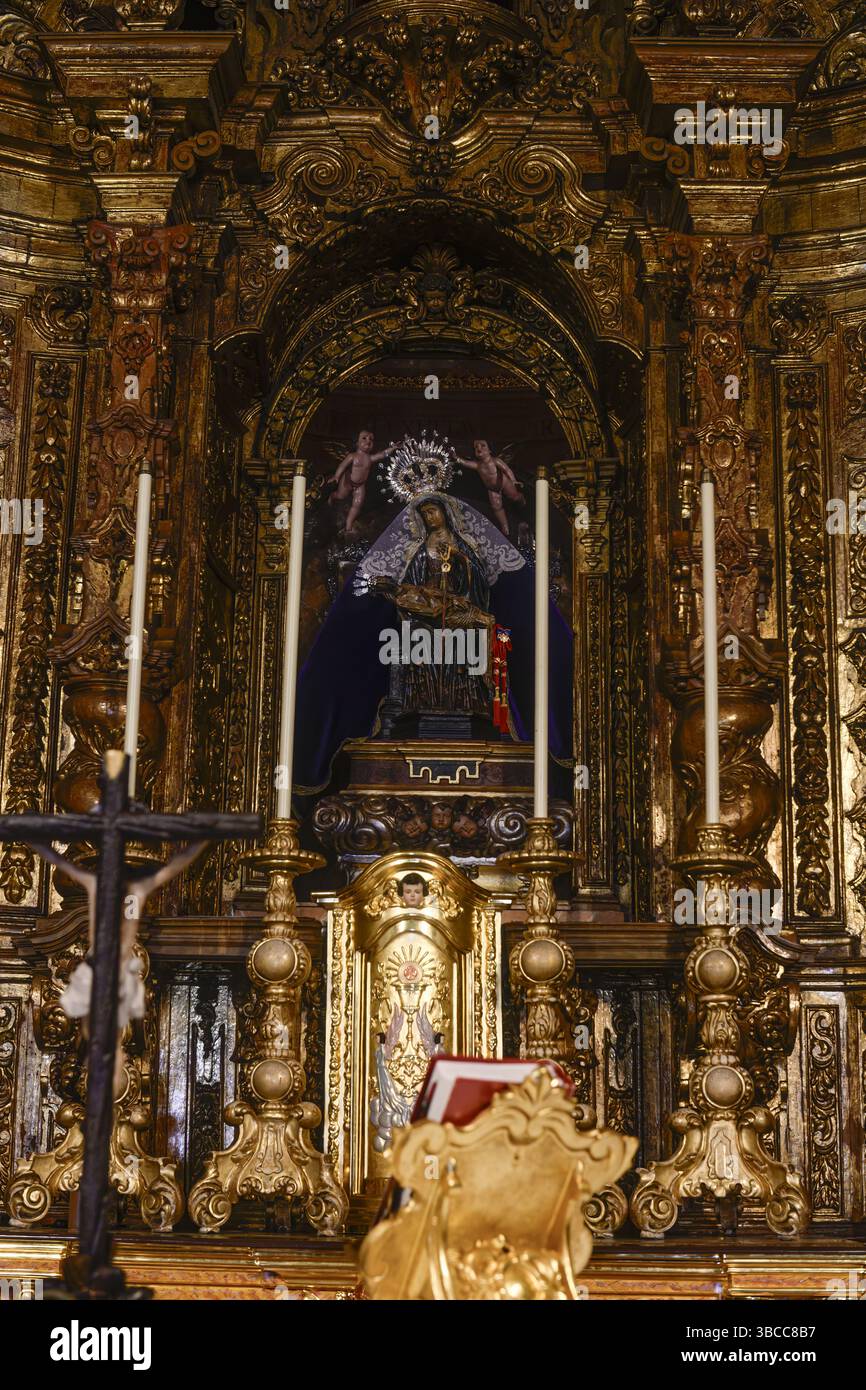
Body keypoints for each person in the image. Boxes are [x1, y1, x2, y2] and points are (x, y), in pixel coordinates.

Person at [328, 429, 398, 534]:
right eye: (364, 438)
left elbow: (383, 454)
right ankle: (332, 496)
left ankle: (348, 525)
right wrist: (337, 476)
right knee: (340, 496)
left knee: (357, 504)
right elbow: (343, 465)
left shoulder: (370, 458)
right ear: (356, 442)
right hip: (347, 481)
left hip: (360, 485)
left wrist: (393, 448)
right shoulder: (352, 456)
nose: (368, 441)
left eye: (371, 439)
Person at [457, 439, 525, 535]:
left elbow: (507, 470)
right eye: (476, 447)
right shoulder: (477, 465)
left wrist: (513, 480)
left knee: (514, 497)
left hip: (503, 482)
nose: (479, 448)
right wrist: (455, 457)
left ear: (490, 450)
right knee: (496, 507)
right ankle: (505, 526)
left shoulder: (495, 461)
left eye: (483, 445)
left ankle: (521, 499)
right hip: (492, 489)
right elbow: (464, 462)